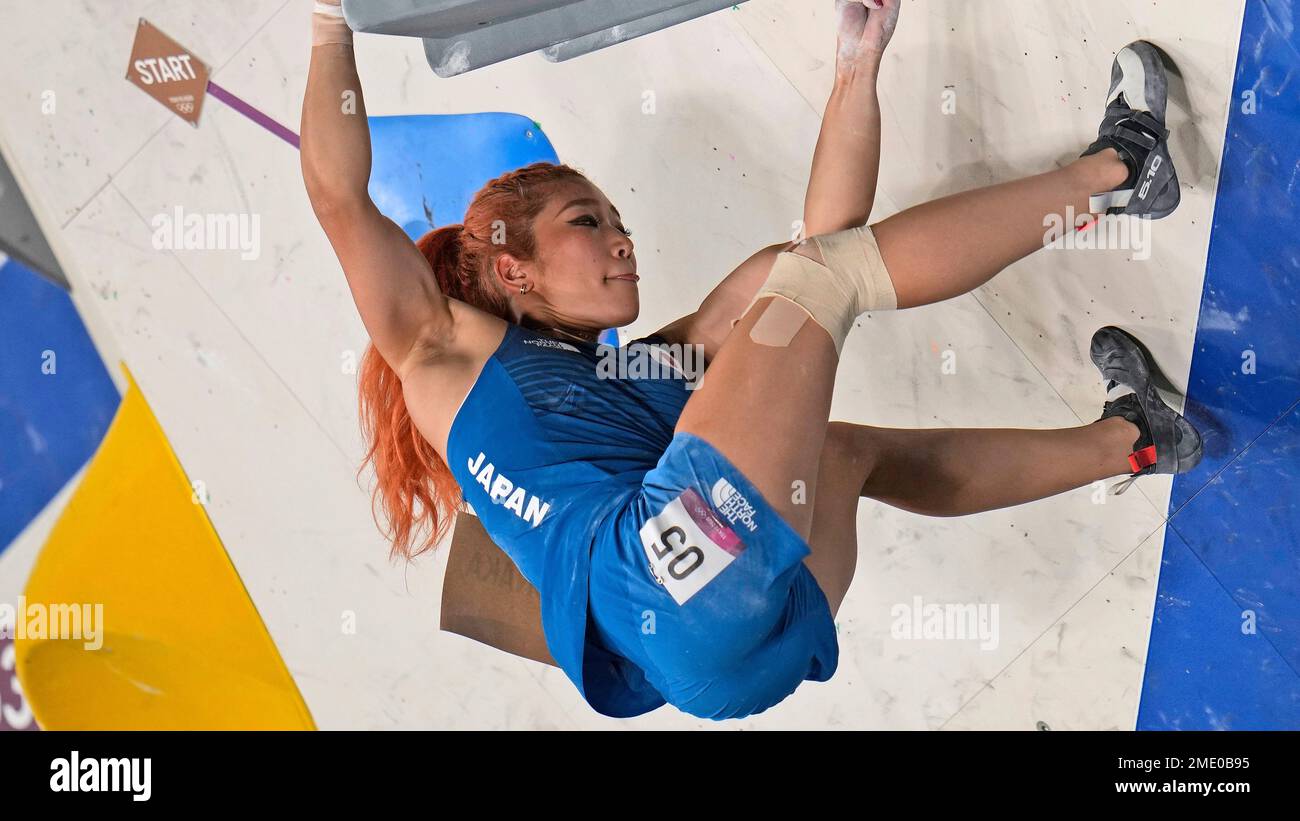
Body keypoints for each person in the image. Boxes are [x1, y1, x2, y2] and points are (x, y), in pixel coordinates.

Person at [301, 0, 1201, 720]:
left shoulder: (641, 382)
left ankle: (1138, 438)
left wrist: (858, 63)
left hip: (713, 673)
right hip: (663, 571)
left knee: (848, 447)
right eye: (588, 224)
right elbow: (340, 197)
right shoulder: (440, 350)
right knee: (823, 282)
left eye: (617, 219)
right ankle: (1126, 167)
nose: (623, 240)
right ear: (511, 267)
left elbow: (816, 251)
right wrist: (327, 19)